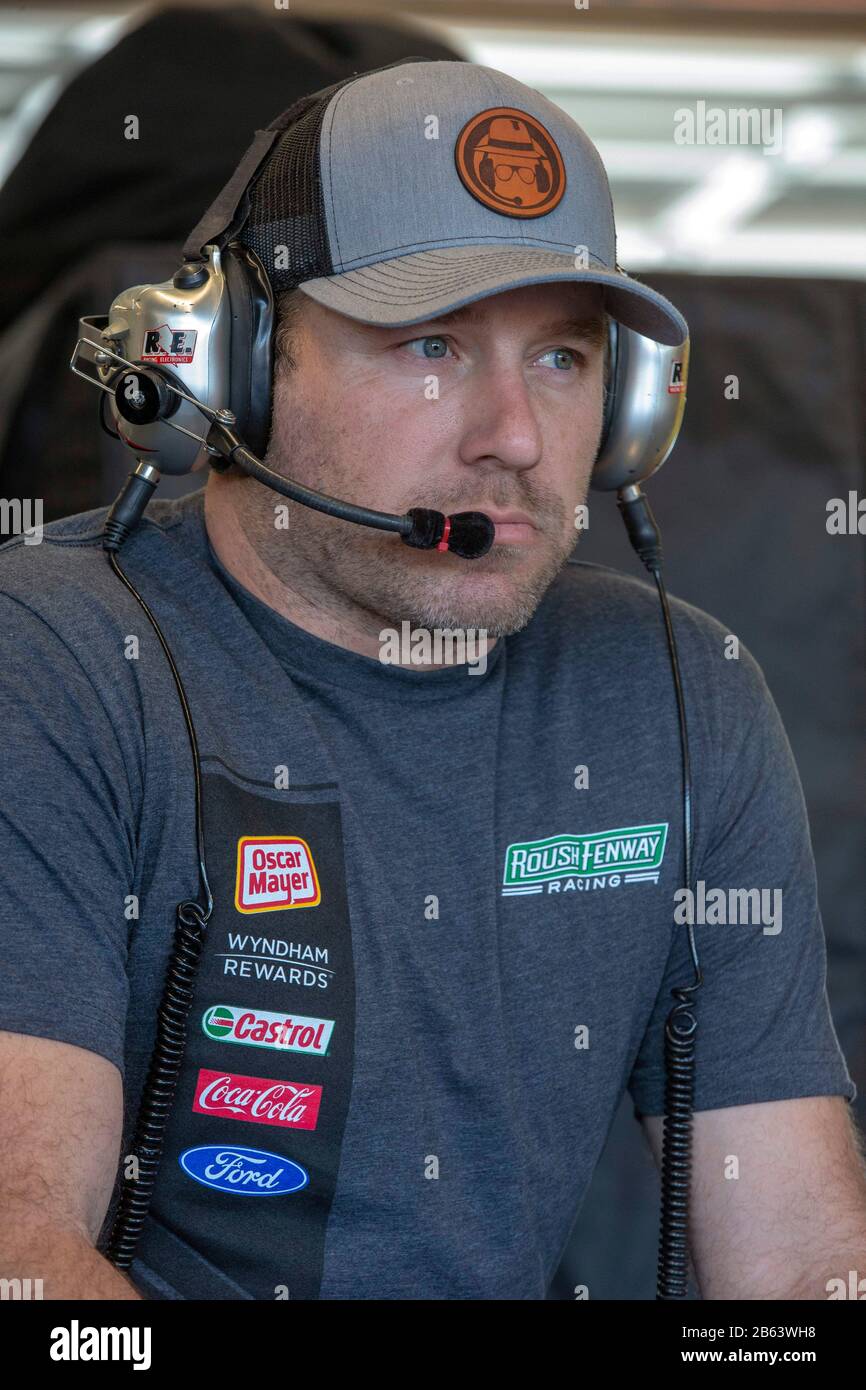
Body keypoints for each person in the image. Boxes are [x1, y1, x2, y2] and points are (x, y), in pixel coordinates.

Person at [0, 57, 863, 1302]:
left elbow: (793, 1264)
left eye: (562, 360)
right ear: (228, 364)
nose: (511, 436)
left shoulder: (677, 690)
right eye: (429, 345)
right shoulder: (53, 660)